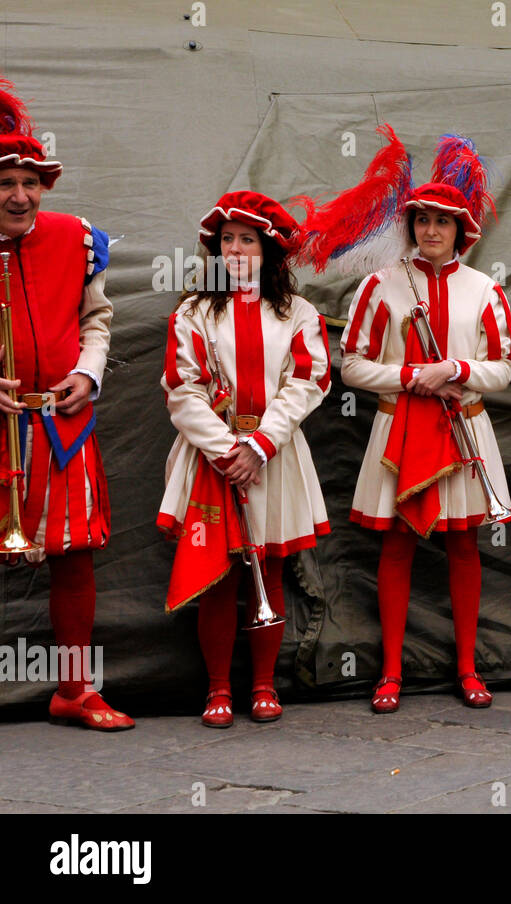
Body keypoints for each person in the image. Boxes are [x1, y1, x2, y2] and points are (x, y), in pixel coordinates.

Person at [342, 134, 511, 713]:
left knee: (465, 545)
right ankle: (389, 673)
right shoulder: (381, 285)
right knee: (396, 547)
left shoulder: (486, 290)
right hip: (399, 431)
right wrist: (412, 375)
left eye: (443, 221)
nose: (431, 231)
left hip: (464, 427)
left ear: (460, 229)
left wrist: (458, 368)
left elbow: (503, 367)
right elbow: (352, 367)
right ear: (411, 224)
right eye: (421, 220)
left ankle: (467, 669)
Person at [158, 190, 331, 727]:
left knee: (271, 569)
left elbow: (308, 382)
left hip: (274, 456)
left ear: (268, 250)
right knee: (221, 576)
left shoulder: (298, 313)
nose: (235, 250)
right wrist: (225, 448)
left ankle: (262, 685)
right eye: (227, 240)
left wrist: (260, 445)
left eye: (247, 240)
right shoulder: (193, 312)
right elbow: (180, 388)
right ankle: (217, 690)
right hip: (211, 458)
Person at [0, 80, 132, 730]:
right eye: (5, 182)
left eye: (30, 181)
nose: (19, 196)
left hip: (60, 422)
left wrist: (89, 371)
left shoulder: (77, 238)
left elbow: (98, 319)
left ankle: (74, 692)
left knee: (74, 557)